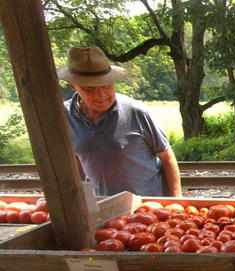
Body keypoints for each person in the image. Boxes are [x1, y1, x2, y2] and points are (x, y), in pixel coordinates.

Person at [57, 46, 182, 197]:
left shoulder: (136, 112)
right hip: (105, 205)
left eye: (106, 86)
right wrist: (80, 200)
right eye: (90, 89)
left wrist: (176, 202)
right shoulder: (64, 117)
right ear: (73, 86)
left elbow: (167, 157)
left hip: (149, 205)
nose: (101, 95)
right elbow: (77, 161)